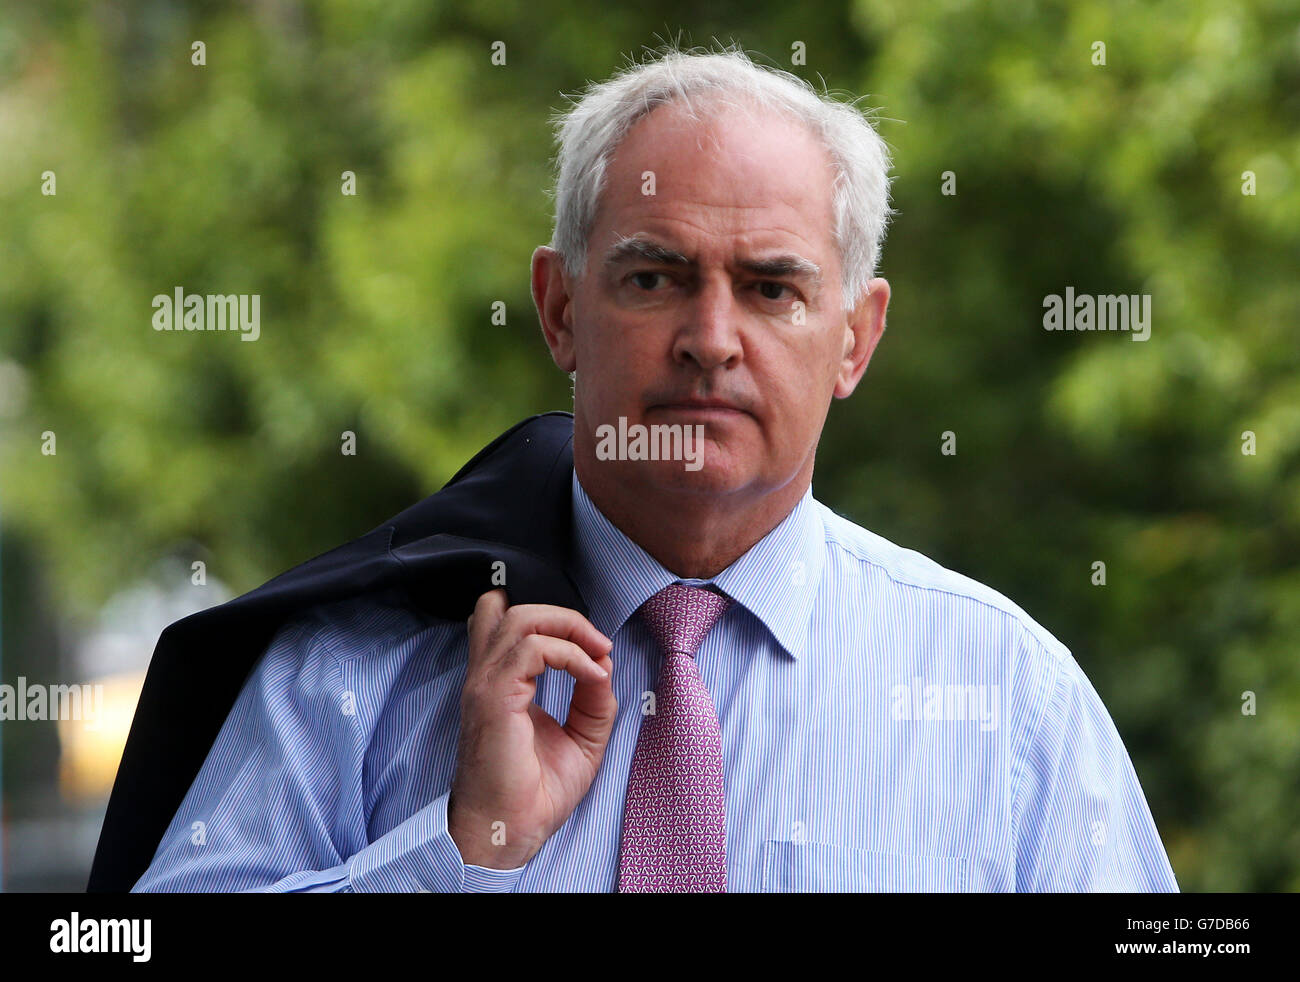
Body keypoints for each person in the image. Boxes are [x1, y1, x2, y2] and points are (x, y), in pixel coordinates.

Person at [125, 47, 1178, 892]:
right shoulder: (356, 668)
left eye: (772, 289)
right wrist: (458, 856)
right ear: (560, 309)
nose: (710, 338)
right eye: (654, 276)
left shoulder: (1004, 699)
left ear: (856, 337)